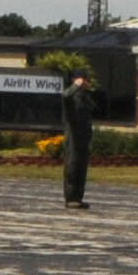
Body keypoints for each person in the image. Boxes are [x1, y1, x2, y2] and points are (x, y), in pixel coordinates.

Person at [60, 67, 96, 209]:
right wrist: (76, 85)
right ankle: (70, 197)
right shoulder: (71, 95)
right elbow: (65, 96)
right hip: (73, 137)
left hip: (83, 137)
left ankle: (78, 197)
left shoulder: (83, 96)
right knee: (72, 166)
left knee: (82, 167)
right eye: (84, 79)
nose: (85, 82)